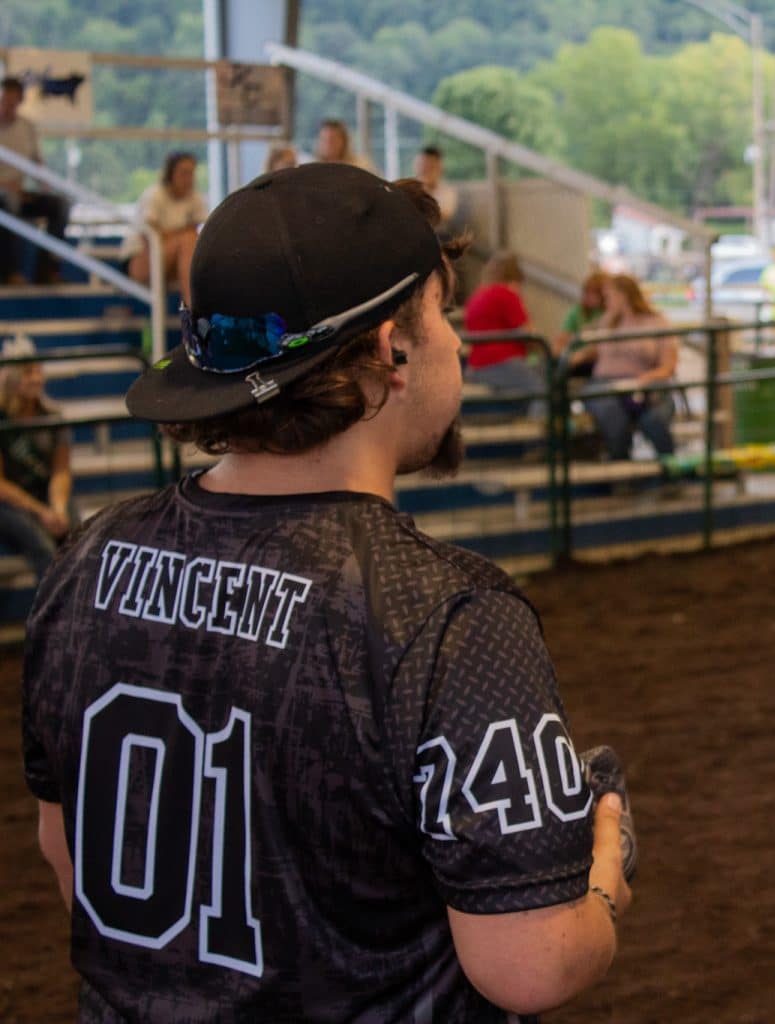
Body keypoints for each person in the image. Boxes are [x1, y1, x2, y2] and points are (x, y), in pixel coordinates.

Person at [21, 163, 631, 1020]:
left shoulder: (87, 557)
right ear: (391, 348)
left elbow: (69, 852)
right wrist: (603, 877)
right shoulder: (446, 615)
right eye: (443, 311)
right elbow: (532, 965)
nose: (455, 339)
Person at [579, 273, 678, 460]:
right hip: (605, 384)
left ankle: (670, 471)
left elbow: (668, 366)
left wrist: (646, 378)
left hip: (643, 383)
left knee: (653, 419)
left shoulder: (656, 322)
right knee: (613, 416)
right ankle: (620, 468)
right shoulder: (607, 322)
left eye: (608, 297)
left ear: (623, 295)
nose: (605, 302)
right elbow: (591, 350)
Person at [0, 335, 73, 578]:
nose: (36, 379)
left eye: (39, 371)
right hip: (9, 503)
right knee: (42, 546)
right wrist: (42, 512)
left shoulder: (53, 416)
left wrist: (58, 508)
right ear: (12, 377)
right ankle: (51, 613)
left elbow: (61, 471)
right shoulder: (2, 419)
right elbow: (1, 486)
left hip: (44, 495)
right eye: (28, 372)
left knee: (80, 536)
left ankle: (82, 608)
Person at [0, 76, 71, 285]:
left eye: (12, 103)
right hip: (4, 196)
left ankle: (48, 270)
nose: (7, 108)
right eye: (4, 102)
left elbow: (36, 162)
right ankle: (10, 271)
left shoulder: (26, 128)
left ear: (20, 102)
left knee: (60, 205)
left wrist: (44, 182)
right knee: (6, 201)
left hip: (20, 193)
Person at [463, 251, 541, 410]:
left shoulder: (478, 295)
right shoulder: (506, 293)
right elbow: (529, 335)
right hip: (499, 362)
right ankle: (545, 432)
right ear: (516, 277)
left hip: (476, 365)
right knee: (544, 393)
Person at [124, 151, 207, 300]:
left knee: (192, 240)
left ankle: (196, 308)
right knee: (188, 238)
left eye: (191, 173)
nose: (189, 179)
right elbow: (151, 237)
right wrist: (182, 233)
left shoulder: (195, 198)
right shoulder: (155, 195)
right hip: (141, 261)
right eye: (184, 173)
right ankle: (194, 309)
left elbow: (200, 232)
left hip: (174, 262)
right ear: (170, 173)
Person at [553, 270, 607, 380]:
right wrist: (558, 355)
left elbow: (600, 347)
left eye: (594, 293)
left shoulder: (609, 314)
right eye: (587, 292)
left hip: (594, 362)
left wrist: (580, 356)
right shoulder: (577, 311)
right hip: (574, 360)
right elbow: (562, 339)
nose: (589, 296)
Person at [414, 144, 460, 229]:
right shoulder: (409, 188)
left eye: (430, 166)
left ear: (440, 168)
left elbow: (444, 215)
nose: (424, 170)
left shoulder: (447, 192)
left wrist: (426, 189)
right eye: (421, 165)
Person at [312, 118, 377, 174]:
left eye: (333, 139)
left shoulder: (362, 165)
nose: (328, 144)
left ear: (344, 141)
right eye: (324, 139)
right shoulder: (311, 169)